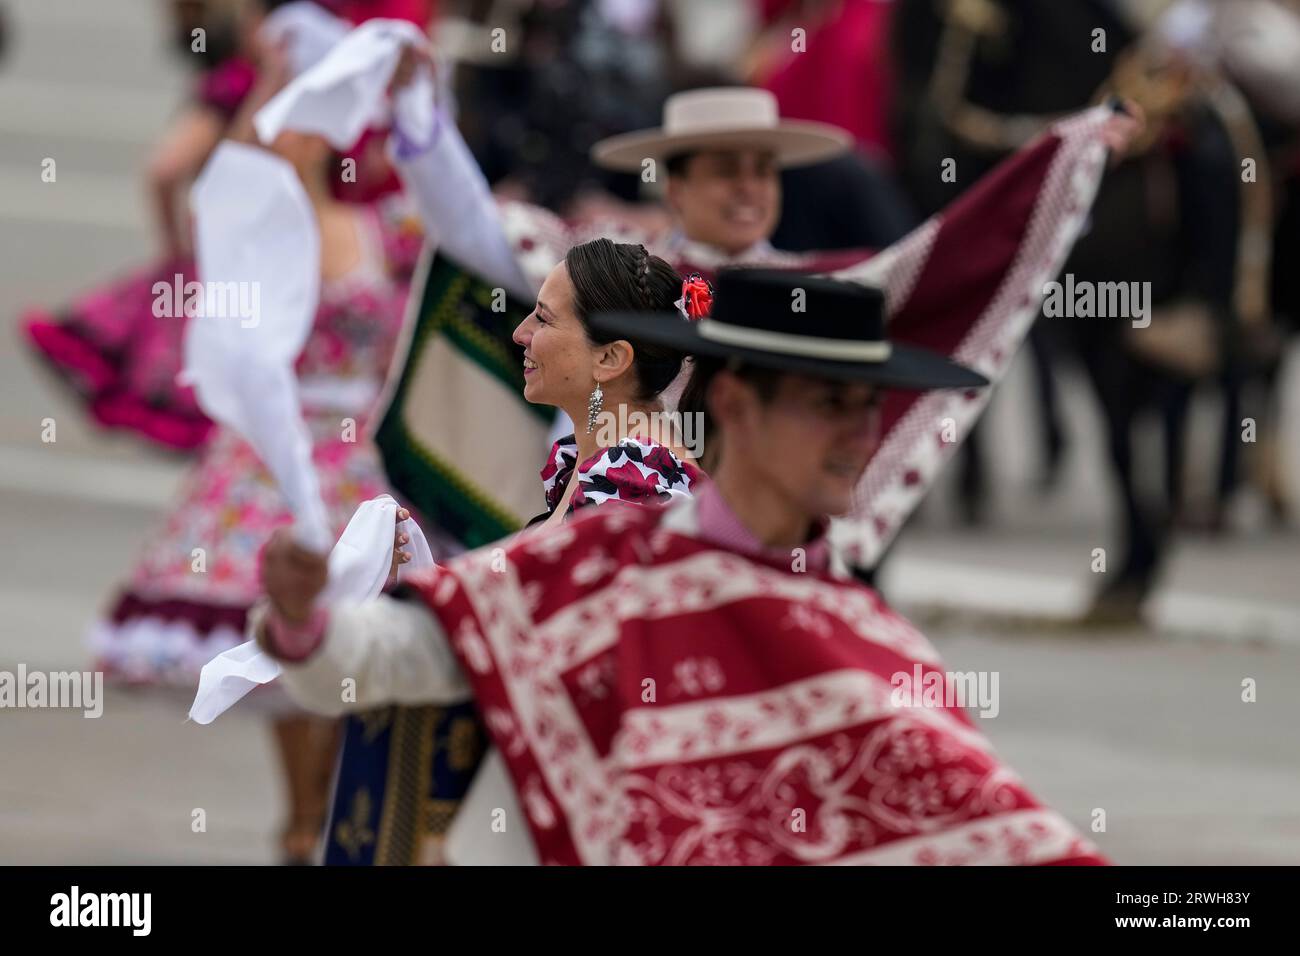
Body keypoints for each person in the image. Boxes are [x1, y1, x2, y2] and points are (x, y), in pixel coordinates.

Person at [255, 268, 1106, 865]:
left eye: (865, 406)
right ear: (737, 405)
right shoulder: (604, 565)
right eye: (827, 404)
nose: (859, 434)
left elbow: (998, 837)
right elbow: (394, 660)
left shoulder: (865, 638)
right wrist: (304, 623)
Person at [89, 44, 423, 863]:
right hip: (280, 452)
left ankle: (334, 819)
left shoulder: (381, 226)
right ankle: (304, 824)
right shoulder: (248, 232)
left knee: (358, 637)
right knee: (291, 629)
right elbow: (198, 189)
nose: (294, 140)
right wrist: (268, 83)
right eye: (282, 129)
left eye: (307, 126)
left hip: (364, 451)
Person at [316, 236, 705, 864]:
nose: (521, 334)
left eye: (544, 319)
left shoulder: (631, 482)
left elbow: (570, 650)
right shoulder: (592, 464)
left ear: (611, 358)